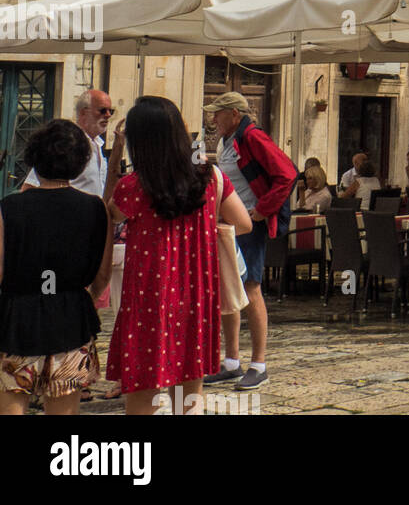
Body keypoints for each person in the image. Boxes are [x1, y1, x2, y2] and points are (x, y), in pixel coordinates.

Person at [107, 97, 252, 414]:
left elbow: (109, 215)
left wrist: (115, 156)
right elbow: (243, 222)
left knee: (142, 390)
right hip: (195, 292)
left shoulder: (132, 186)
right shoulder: (209, 179)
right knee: (189, 393)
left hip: (148, 297)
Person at [0, 120, 114, 416]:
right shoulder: (95, 208)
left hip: (17, 317)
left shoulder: (9, 207)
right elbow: (102, 275)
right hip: (72, 316)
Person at [202, 92, 296, 391]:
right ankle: (231, 361)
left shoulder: (253, 136)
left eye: (217, 113)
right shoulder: (228, 140)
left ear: (233, 113)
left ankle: (259, 364)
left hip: (249, 226)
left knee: (251, 287)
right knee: (228, 288)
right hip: (229, 225)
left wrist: (262, 211)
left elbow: (288, 174)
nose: (213, 119)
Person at [23, 88, 123, 197]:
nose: (108, 115)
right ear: (84, 112)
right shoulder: (67, 144)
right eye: (102, 110)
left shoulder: (97, 144)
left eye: (110, 111)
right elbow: (30, 186)